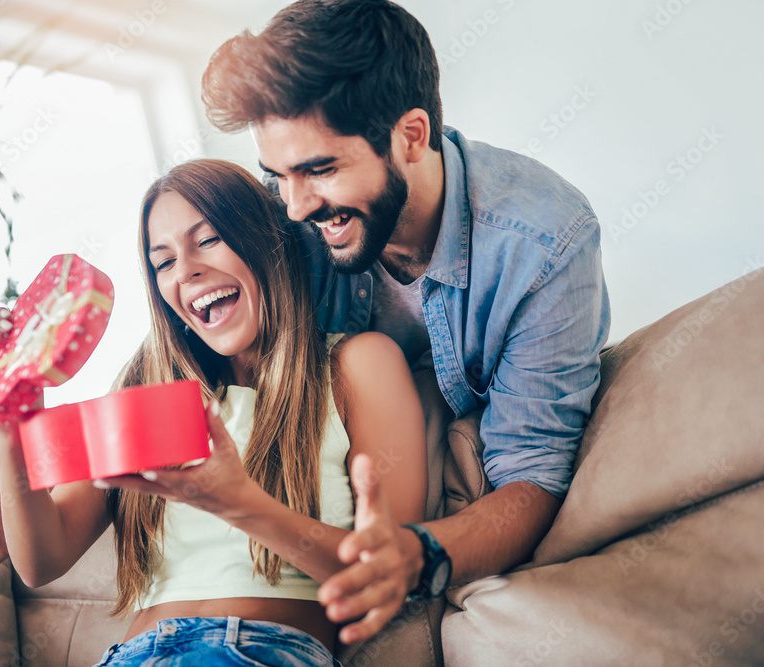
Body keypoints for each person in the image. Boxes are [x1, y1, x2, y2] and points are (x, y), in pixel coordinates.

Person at [198, 0, 611, 645]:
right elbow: (193, 341)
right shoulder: (292, 218)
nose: (296, 205)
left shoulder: (544, 242)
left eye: (321, 169)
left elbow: (534, 473)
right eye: (276, 175)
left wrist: (414, 556)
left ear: (411, 135)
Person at [0, 159, 427, 665]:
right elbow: (43, 560)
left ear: (268, 242)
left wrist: (238, 503)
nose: (186, 270)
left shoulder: (357, 365)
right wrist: (10, 433)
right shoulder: (147, 387)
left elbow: (391, 577)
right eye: (163, 263)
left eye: (207, 240)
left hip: (257, 650)